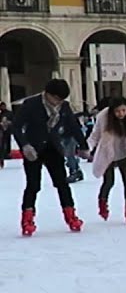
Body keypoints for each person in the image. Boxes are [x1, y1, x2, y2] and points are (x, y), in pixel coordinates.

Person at [13, 80, 89, 236]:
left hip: (53, 149)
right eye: (56, 99)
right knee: (33, 185)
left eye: (61, 100)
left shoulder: (64, 107)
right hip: (33, 149)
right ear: (47, 94)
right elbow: (16, 126)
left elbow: (74, 126)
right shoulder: (31, 104)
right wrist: (25, 145)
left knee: (62, 183)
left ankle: (71, 215)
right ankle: (27, 219)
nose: (58, 103)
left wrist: (83, 146)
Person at [87, 97, 126, 223]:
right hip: (108, 153)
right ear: (112, 111)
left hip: (124, 153)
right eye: (117, 111)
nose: (121, 114)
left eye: (123, 110)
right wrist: (87, 148)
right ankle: (102, 202)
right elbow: (95, 135)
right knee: (109, 181)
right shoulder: (103, 117)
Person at [0, 101, 12, 170]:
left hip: (7, 130)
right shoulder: (0, 114)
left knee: (7, 142)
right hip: (1, 131)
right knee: (1, 145)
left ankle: (7, 154)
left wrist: (8, 123)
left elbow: (13, 120)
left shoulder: (9, 113)